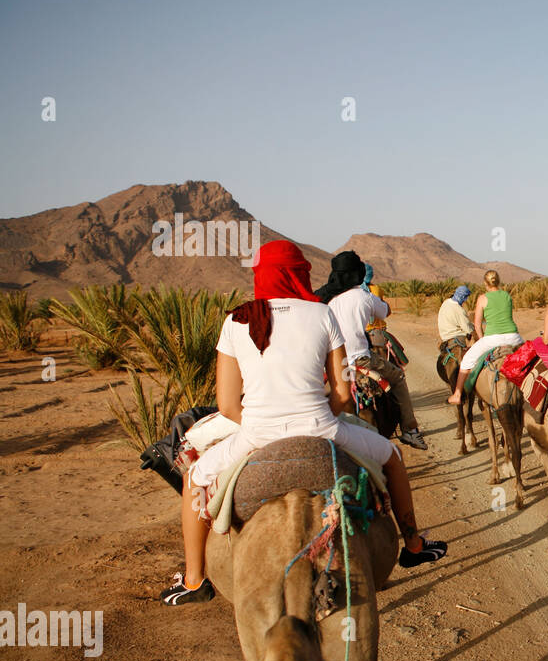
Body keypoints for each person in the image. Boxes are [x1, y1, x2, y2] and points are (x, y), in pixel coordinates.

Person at [160, 241, 449, 606]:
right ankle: (413, 545)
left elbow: (228, 405)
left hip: (254, 434)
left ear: (259, 276)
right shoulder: (321, 314)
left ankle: (194, 578)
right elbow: (343, 393)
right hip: (322, 429)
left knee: (194, 479)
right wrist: (317, 415)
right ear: (301, 274)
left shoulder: (236, 320)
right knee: (391, 455)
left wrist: (259, 422)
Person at [318, 251, 427, 450]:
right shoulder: (364, 296)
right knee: (399, 378)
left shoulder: (327, 300)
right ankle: (410, 429)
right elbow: (385, 312)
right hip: (361, 359)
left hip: (333, 363)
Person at [446, 270, 521, 406]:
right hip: (514, 337)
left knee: (466, 361)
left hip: (492, 338)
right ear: (498, 280)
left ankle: (457, 395)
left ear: (485, 283)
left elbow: (477, 324)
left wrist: (481, 340)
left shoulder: (482, 298)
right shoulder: (507, 296)